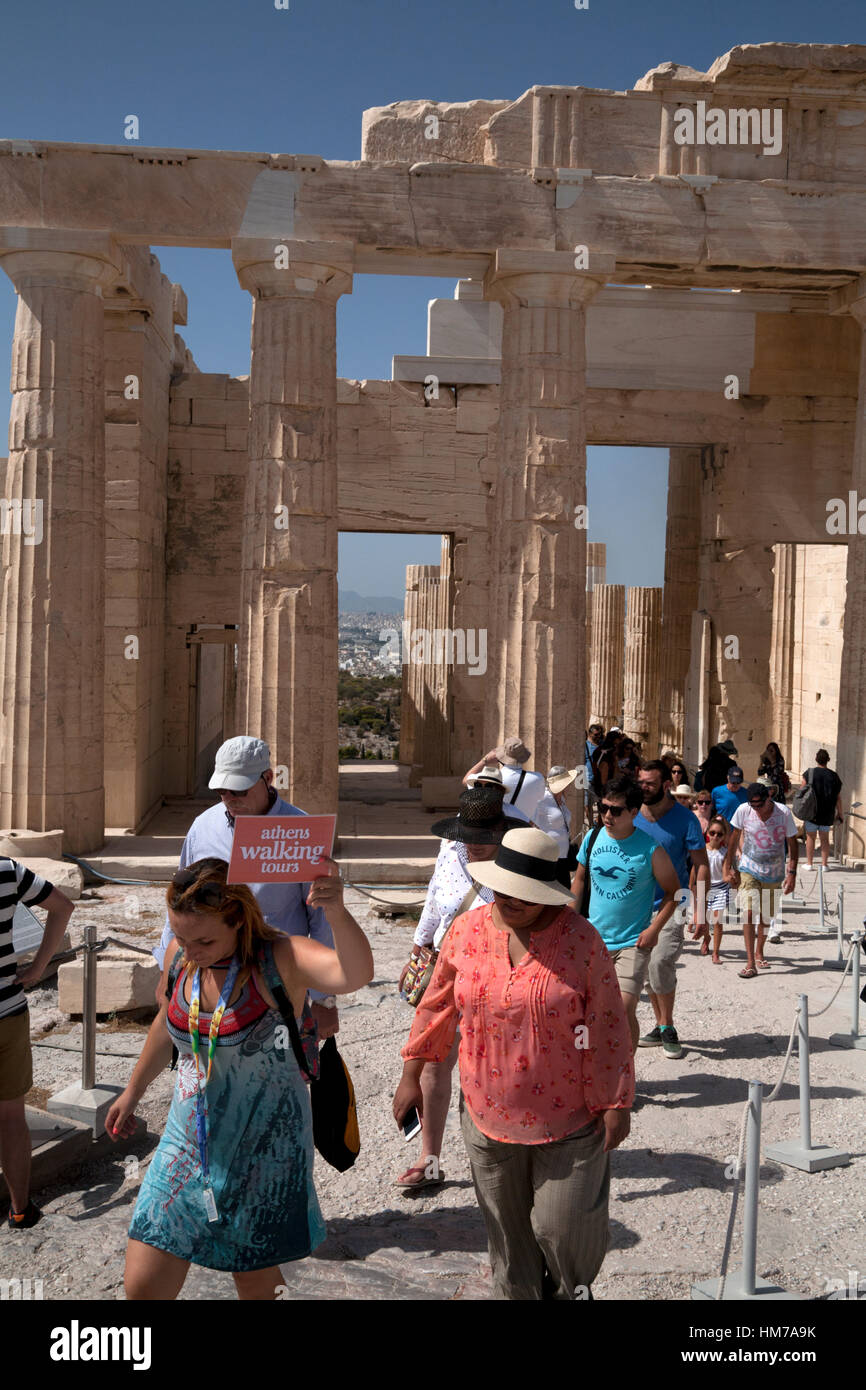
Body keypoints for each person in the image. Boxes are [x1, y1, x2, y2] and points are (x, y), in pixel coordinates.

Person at [111, 857, 374, 1300]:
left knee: (255, 1283)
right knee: (142, 1285)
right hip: (186, 1141)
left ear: (237, 919)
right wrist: (132, 1091)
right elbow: (166, 1024)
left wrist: (336, 910)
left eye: (204, 939)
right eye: (180, 936)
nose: (190, 950)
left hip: (264, 1150)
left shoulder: (282, 958)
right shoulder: (181, 957)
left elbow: (355, 974)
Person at [394, 828, 633, 1301]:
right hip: (486, 1115)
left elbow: (607, 1025)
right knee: (509, 1245)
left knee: (564, 1235)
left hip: (570, 1120)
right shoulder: (467, 929)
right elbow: (437, 1006)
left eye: (523, 892)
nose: (508, 899)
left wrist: (616, 1100)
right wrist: (412, 1072)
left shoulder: (581, 940)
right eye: (502, 887)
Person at [154, 736, 339, 1038]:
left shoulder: (300, 831)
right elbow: (179, 900)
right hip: (212, 974)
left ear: (268, 778)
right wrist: (168, 971)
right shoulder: (203, 827)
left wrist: (323, 998)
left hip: (276, 978)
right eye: (222, 790)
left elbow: (321, 919)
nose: (229, 798)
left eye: (238, 790)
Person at [395, 786, 521, 1189]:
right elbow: (434, 899)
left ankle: (504, 1155)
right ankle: (429, 1159)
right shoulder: (451, 853)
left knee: (492, 1064)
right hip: (447, 972)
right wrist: (419, 947)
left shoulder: (518, 862)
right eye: (468, 837)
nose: (473, 846)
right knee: (435, 1062)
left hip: (498, 977)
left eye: (482, 839)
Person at [571, 776, 679, 1052]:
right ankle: (592, 1071)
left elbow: (673, 893)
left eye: (615, 810)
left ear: (633, 812)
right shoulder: (592, 838)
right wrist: (568, 922)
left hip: (633, 942)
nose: (607, 815)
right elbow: (580, 880)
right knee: (585, 1010)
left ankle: (624, 1078)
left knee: (621, 1009)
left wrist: (654, 930)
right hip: (593, 940)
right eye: (602, 807)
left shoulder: (650, 849)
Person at [1, 859, 74, 1230]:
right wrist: (38, 967)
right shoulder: (6, 870)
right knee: (12, 1117)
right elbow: (63, 906)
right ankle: (19, 1209)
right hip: (7, 1014)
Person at [634, 761, 710, 1059]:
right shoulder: (629, 813)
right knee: (647, 971)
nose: (643, 787)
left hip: (672, 901)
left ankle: (666, 1026)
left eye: (650, 783)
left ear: (667, 784)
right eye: (641, 781)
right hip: (633, 905)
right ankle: (661, 1024)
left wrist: (701, 912)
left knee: (661, 961)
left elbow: (701, 865)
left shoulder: (685, 819)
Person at [723, 783, 798, 978]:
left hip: (775, 871)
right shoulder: (743, 810)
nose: (756, 809)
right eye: (753, 805)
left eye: (760, 805)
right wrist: (729, 865)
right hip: (749, 868)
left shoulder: (783, 813)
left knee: (765, 917)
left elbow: (792, 841)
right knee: (748, 913)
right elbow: (734, 836)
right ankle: (750, 963)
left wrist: (792, 873)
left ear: (769, 798)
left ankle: (759, 951)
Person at [463, 738, 568, 854]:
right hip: (525, 841)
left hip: (496, 838)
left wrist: (485, 760)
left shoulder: (491, 780)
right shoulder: (537, 778)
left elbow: (465, 780)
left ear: (501, 756)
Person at [799, 749, 844, 870]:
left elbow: (801, 790)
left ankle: (809, 863)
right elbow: (838, 798)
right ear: (828, 760)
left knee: (810, 837)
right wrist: (840, 813)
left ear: (816, 759)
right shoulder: (834, 776)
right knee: (824, 839)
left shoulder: (809, 773)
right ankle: (824, 864)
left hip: (811, 813)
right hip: (827, 813)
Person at [705, 818, 731, 964]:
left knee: (717, 921)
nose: (715, 836)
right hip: (705, 888)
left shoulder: (725, 852)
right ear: (708, 833)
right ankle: (706, 938)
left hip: (720, 888)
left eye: (719, 834)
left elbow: (725, 873)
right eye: (712, 832)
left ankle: (716, 952)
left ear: (723, 836)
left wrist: (732, 878)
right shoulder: (702, 850)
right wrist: (692, 885)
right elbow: (696, 871)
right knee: (704, 920)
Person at [584, 724, 605, 823]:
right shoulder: (585, 746)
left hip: (600, 779)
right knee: (587, 805)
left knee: (602, 803)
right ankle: (591, 825)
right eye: (596, 735)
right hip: (588, 779)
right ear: (590, 734)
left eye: (600, 734)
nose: (598, 737)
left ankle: (599, 823)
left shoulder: (602, 745)